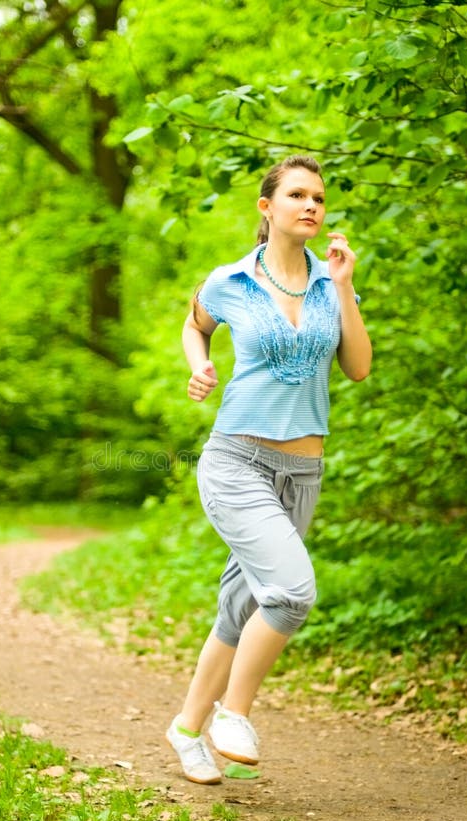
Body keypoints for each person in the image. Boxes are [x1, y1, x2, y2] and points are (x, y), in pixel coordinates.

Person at [166, 154, 372, 784]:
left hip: (302, 472)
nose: (311, 205)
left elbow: (358, 367)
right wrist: (198, 364)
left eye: (319, 197)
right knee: (289, 593)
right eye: (297, 195)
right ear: (268, 208)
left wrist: (342, 287)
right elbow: (193, 324)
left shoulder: (330, 281)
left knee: (241, 606)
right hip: (235, 461)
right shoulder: (229, 280)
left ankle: (184, 730)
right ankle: (235, 714)